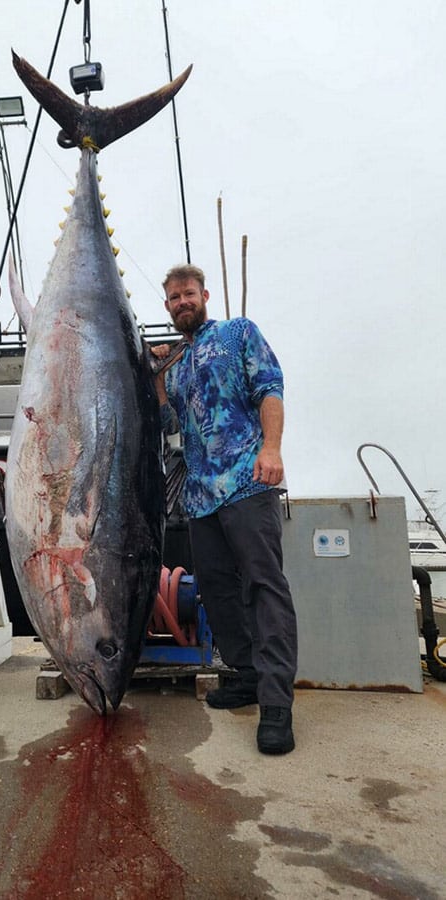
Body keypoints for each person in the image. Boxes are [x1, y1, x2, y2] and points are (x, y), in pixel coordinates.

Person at [152, 263, 298, 755]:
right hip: (199, 497)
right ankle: (246, 674)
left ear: (205, 295)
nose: (180, 303)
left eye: (187, 294)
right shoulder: (177, 362)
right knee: (216, 591)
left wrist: (271, 449)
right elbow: (168, 417)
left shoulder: (237, 333)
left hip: (245, 482)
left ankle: (277, 704)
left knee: (263, 586)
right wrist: (157, 371)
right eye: (172, 298)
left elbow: (270, 388)